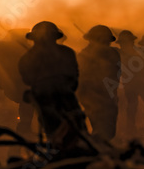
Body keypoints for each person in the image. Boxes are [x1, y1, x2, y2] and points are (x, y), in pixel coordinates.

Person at [18, 21, 90, 151]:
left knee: (64, 129)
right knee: (71, 129)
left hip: (56, 97)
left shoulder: (27, 57)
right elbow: (74, 76)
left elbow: (27, 80)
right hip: (56, 98)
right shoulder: (67, 53)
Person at [78, 25, 121, 142]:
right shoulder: (84, 55)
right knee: (101, 127)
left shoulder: (112, 54)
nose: (105, 43)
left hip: (107, 94)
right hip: (92, 95)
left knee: (108, 128)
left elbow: (115, 74)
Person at [0, 29, 35, 136]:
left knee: (25, 106)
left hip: (18, 83)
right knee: (25, 105)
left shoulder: (25, 49)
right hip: (17, 83)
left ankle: (23, 127)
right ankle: (23, 128)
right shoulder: (6, 48)